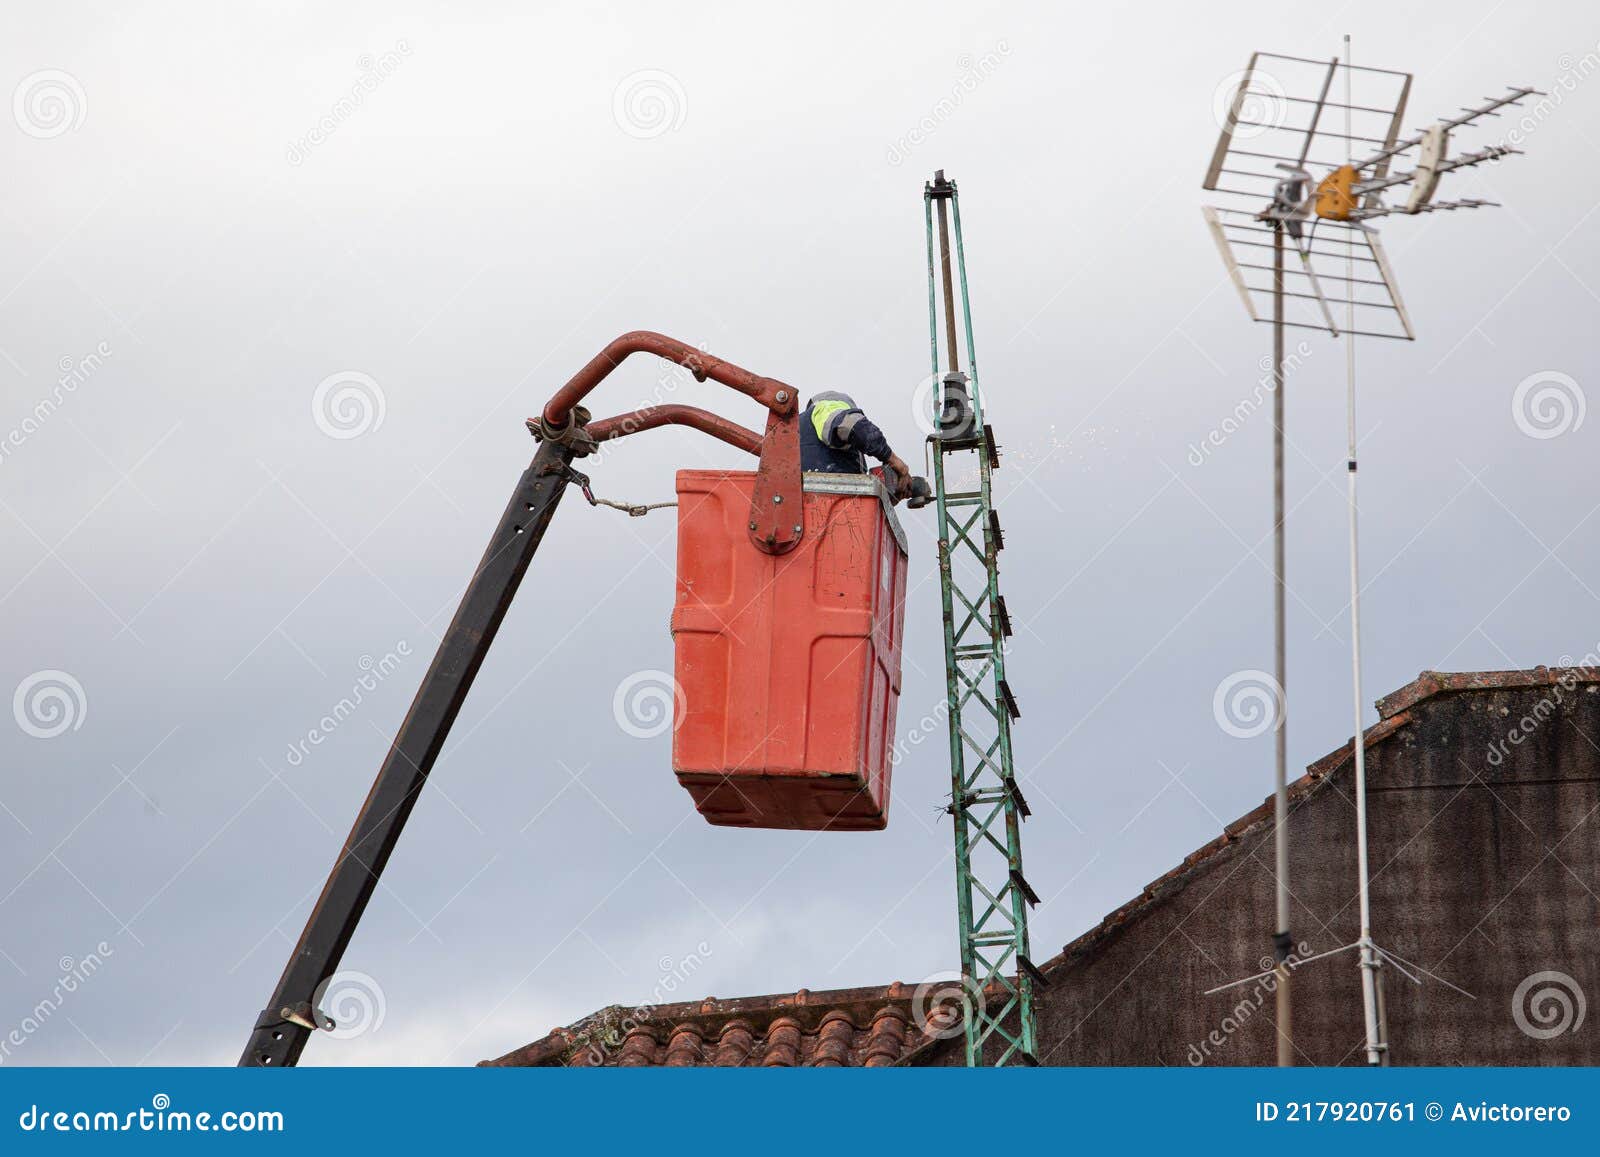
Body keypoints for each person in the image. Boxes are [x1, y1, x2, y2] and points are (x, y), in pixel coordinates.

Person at [800, 391, 913, 500]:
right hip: (831, 506)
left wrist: (889, 499)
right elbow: (856, 427)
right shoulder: (825, 408)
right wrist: (893, 459)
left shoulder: (793, 434)